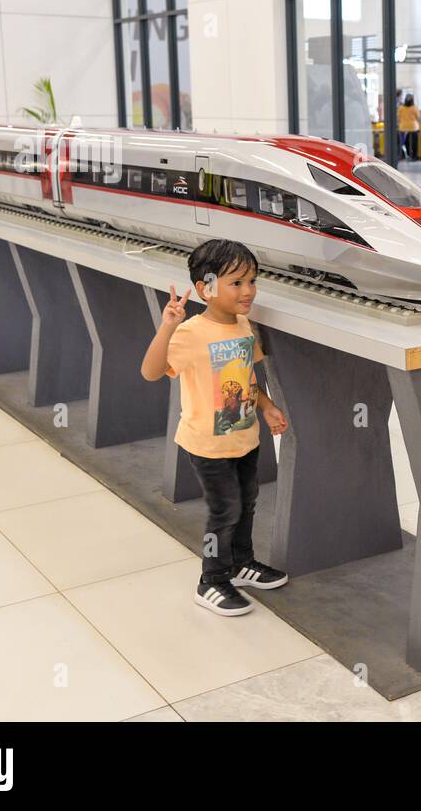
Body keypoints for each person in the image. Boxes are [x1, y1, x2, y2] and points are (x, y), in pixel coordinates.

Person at [140, 239, 292, 616]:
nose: (248, 291)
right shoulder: (192, 333)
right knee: (225, 510)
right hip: (206, 444)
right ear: (206, 288)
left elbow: (245, 376)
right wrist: (167, 327)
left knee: (248, 503)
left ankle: (241, 563)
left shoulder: (243, 325)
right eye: (237, 283)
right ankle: (211, 579)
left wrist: (268, 406)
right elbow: (151, 372)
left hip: (244, 436)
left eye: (252, 281)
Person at [398, 93, 421, 161]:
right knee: (414, 143)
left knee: (404, 143)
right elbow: (419, 119)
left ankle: (405, 156)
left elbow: (398, 118)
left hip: (403, 127)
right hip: (413, 127)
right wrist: (420, 129)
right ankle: (414, 156)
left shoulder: (401, 108)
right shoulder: (414, 108)